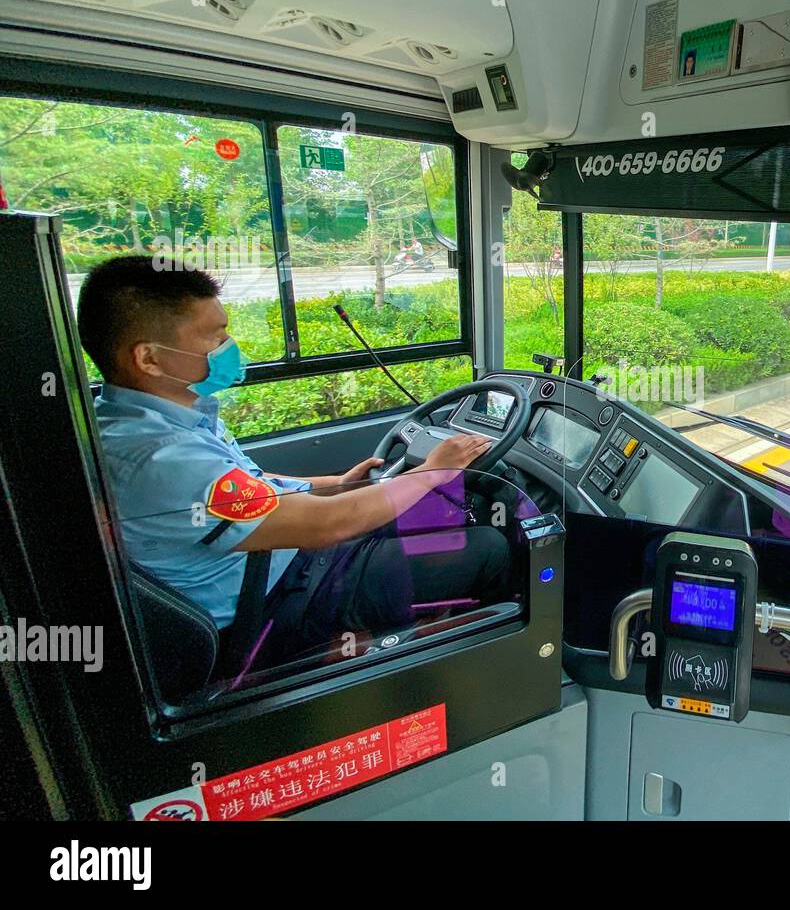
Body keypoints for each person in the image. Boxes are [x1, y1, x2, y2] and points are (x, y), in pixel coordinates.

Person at [79, 256, 510, 673]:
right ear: (148, 358)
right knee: (489, 549)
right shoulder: (162, 457)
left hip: (277, 561)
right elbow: (327, 526)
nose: (229, 347)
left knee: (432, 516)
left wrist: (336, 485)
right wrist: (430, 471)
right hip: (276, 600)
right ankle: (465, 666)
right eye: (214, 337)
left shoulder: (159, 419)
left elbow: (252, 487)